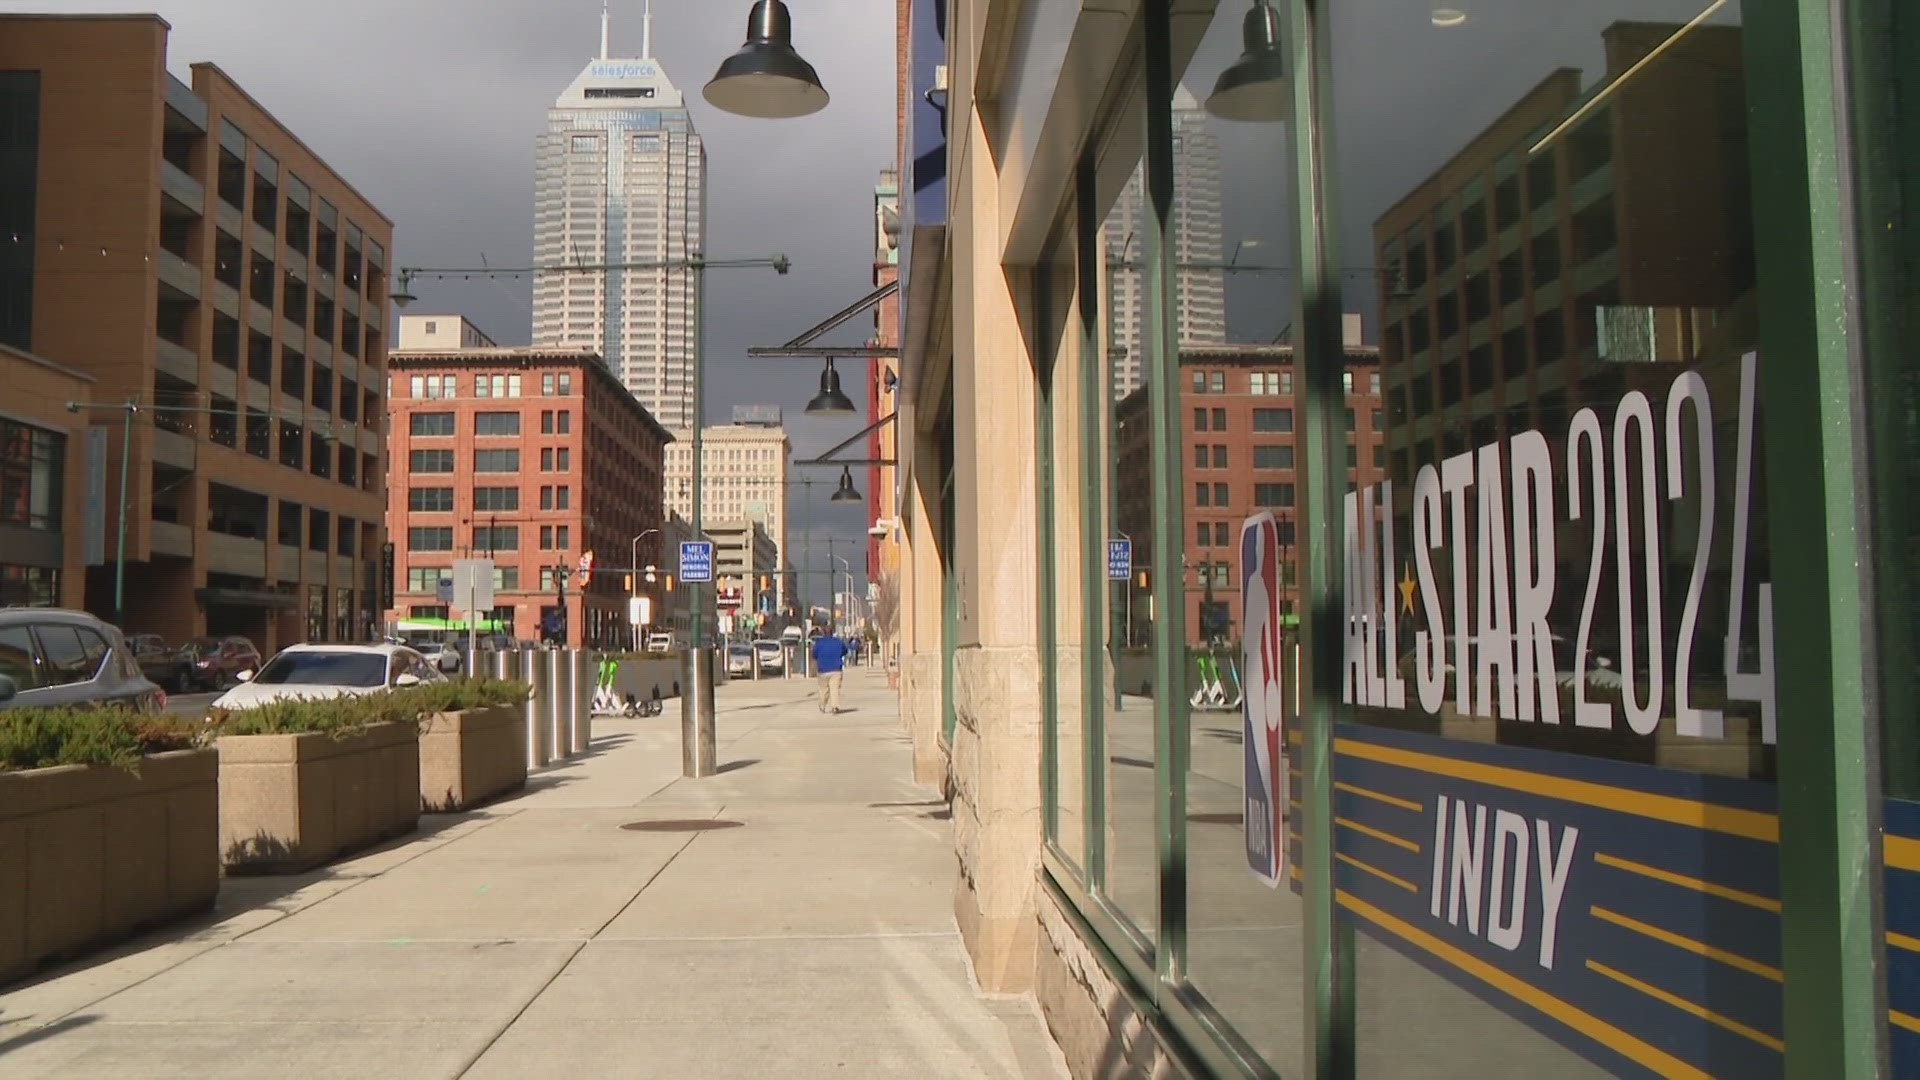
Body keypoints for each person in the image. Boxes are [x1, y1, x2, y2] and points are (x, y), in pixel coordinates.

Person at [811, 631, 848, 714]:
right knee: (835, 688)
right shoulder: (838, 642)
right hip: (836, 668)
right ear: (832, 633)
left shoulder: (819, 643)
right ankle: (835, 706)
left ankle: (822, 705)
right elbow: (845, 651)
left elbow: (814, 654)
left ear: (823, 633)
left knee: (823, 689)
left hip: (823, 669)